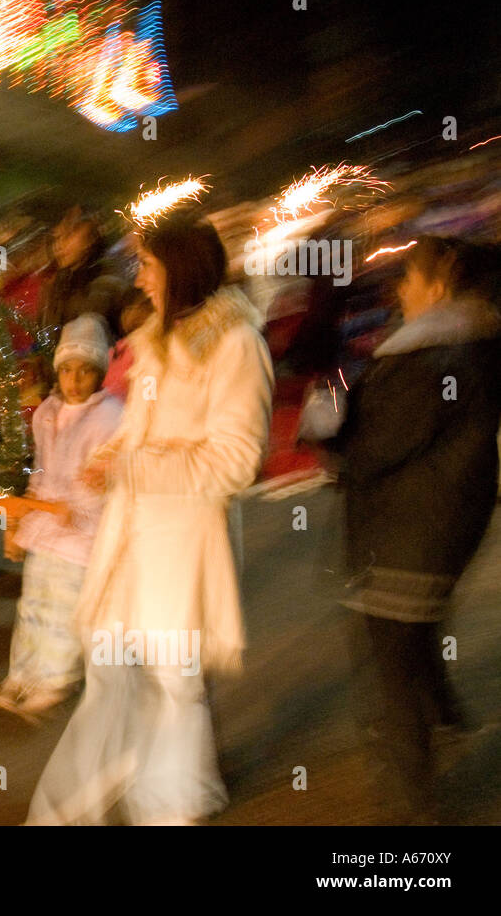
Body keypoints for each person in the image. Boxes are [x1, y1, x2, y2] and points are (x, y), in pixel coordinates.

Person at [26, 211, 274, 825]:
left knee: (172, 683)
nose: (139, 280)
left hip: (181, 544)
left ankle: (168, 805)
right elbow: (139, 431)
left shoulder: (236, 346)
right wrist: (111, 458)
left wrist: (135, 471)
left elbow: (236, 461)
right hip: (129, 539)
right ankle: (101, 801)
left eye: (150, 266)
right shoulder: (154, 341)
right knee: (112, 673)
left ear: (182, 270)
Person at [307, 236, 501, 821]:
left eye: (408, 280)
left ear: (437, 286)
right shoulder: (476, 343)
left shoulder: (427, 357)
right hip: (445, 529)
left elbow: (376, 448)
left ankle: (412, 814)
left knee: (389, 670)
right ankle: (448, 725)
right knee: (415, 641)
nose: (399, 291)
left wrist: (328, 430)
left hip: (404, 537)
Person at [0, 315, 123, 722]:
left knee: (64, 609)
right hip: (46, 525)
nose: (74, 380)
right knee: (33, 602)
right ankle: (21, 674)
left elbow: (107, 474)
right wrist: (23, 519)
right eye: (67, 370)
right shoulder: (46, 414)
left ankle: (53, 680)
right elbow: (41, 467)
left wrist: (81, 504)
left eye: (85, 371)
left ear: (100, 373)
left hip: (80, 533)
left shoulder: (111, 417)